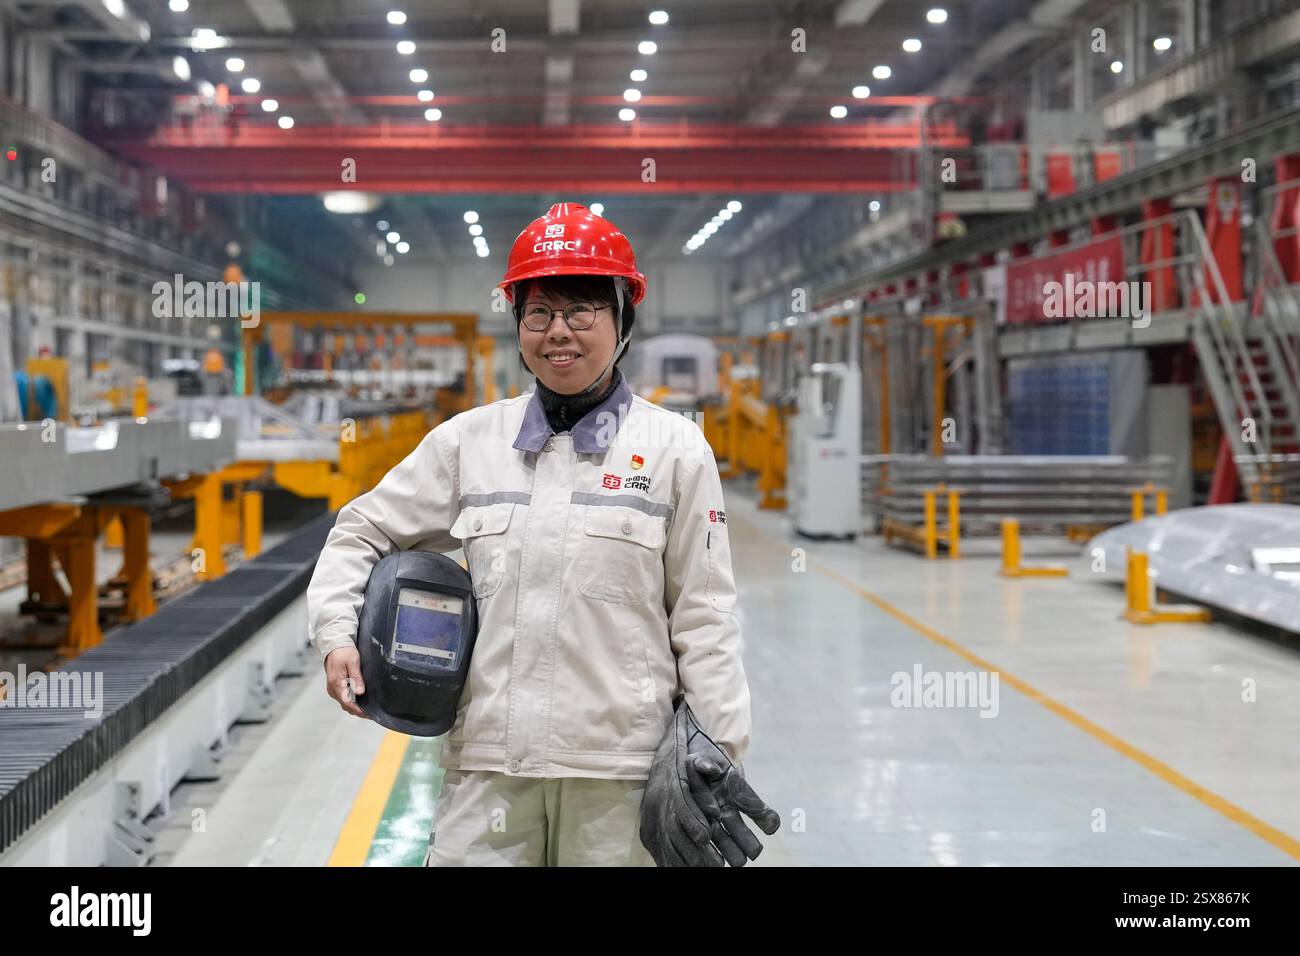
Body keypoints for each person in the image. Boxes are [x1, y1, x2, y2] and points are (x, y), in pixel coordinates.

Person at [307, 202, 752, 866]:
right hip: (490, 766)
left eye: (581, 311)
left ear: (622, 319)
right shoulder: (469, 442)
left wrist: (717, 749)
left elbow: (706, 614)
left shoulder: (674, 450)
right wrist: (336, 633)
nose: (558, 332)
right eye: (539, 313)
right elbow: (360, 529)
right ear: (518, 323)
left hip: (619, 777)